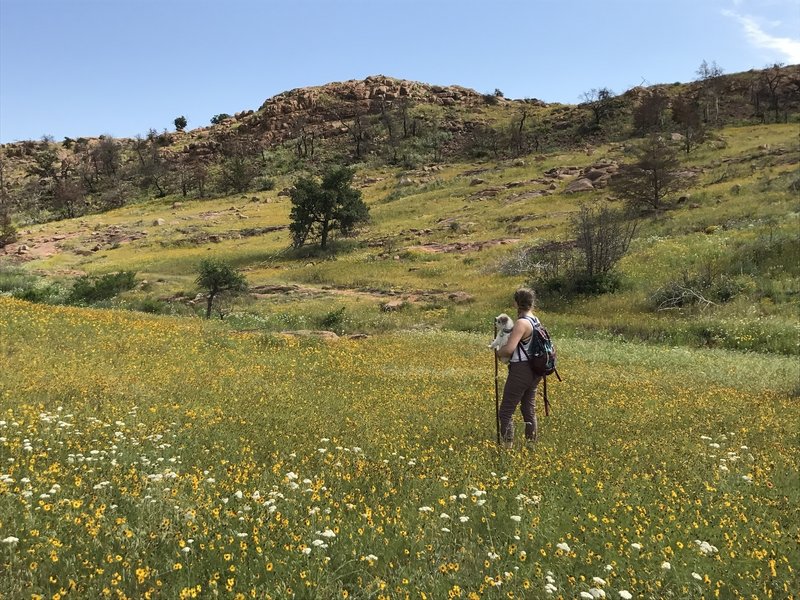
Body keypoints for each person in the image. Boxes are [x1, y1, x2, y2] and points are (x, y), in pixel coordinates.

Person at [495, 288, 542, 448]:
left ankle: (507, 447)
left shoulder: (521, 323)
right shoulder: (535, 320)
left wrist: (497, 352)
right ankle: (531, 445)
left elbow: (509, 349)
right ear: (532, 303)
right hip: (535, 370)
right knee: (528, 408)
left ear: (516, 303)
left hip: (521, 370)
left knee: (506, 411)